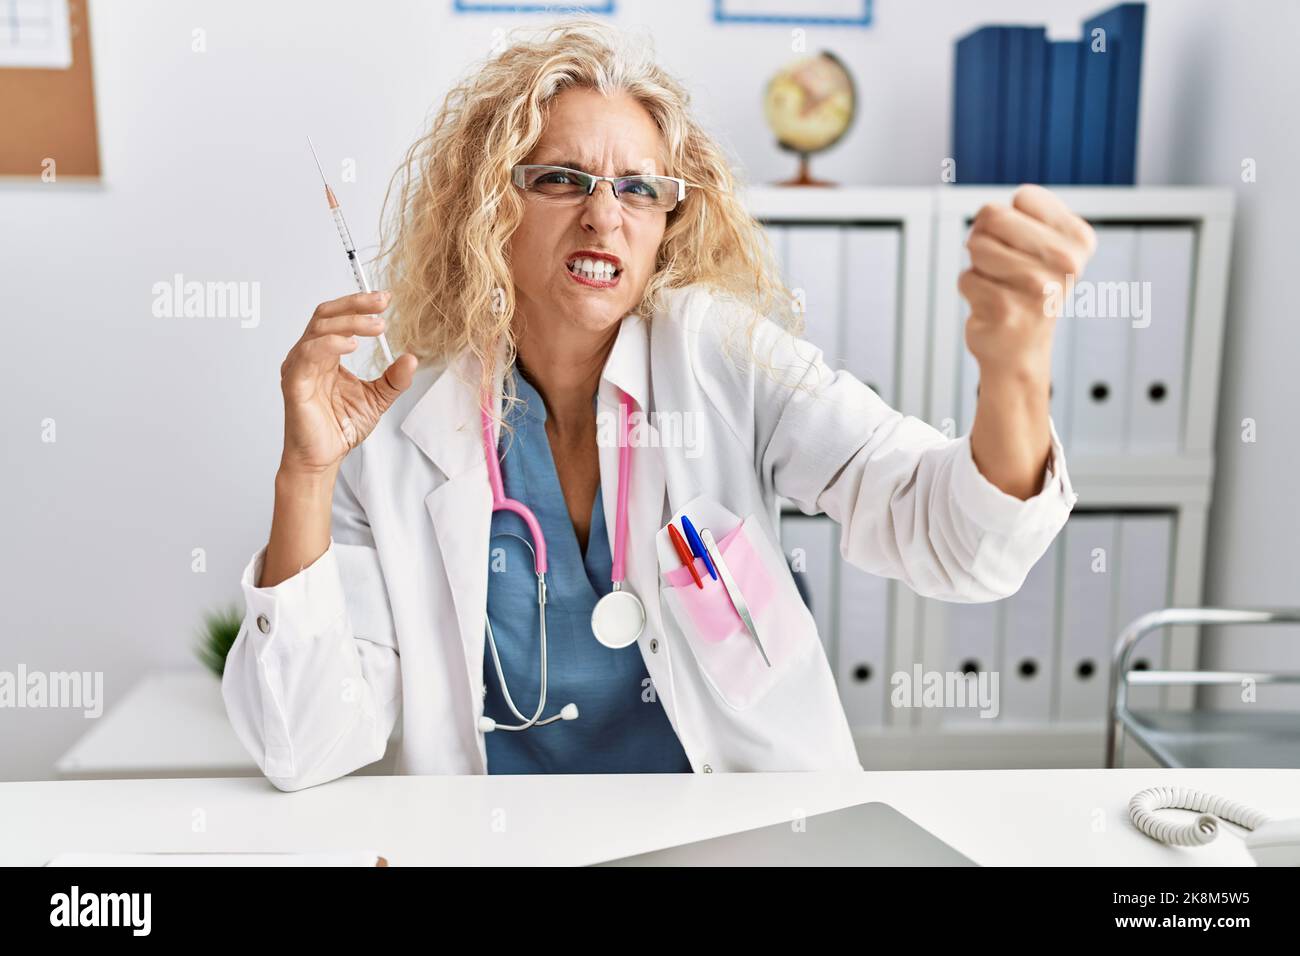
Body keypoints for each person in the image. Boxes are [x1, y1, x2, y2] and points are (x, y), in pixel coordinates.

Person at [222, 19, 1090, 791]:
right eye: (562, 179)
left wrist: (1013, 371)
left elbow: (956, 546)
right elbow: (305, 744)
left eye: (640, 188)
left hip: (729, 836)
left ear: (668, 220)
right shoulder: (397, 423)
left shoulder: (719, 359)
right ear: (489, 208)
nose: (606, 216)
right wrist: (304, 473)